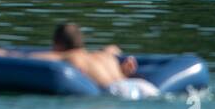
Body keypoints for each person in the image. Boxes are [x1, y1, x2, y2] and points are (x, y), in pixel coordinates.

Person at [28, 23, 158, 99]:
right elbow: (114, 48)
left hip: (117, 91)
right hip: (141, 85)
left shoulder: (70, 56)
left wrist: (9, 54)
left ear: (58, 45)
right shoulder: (104, 54)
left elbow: (35, 58)